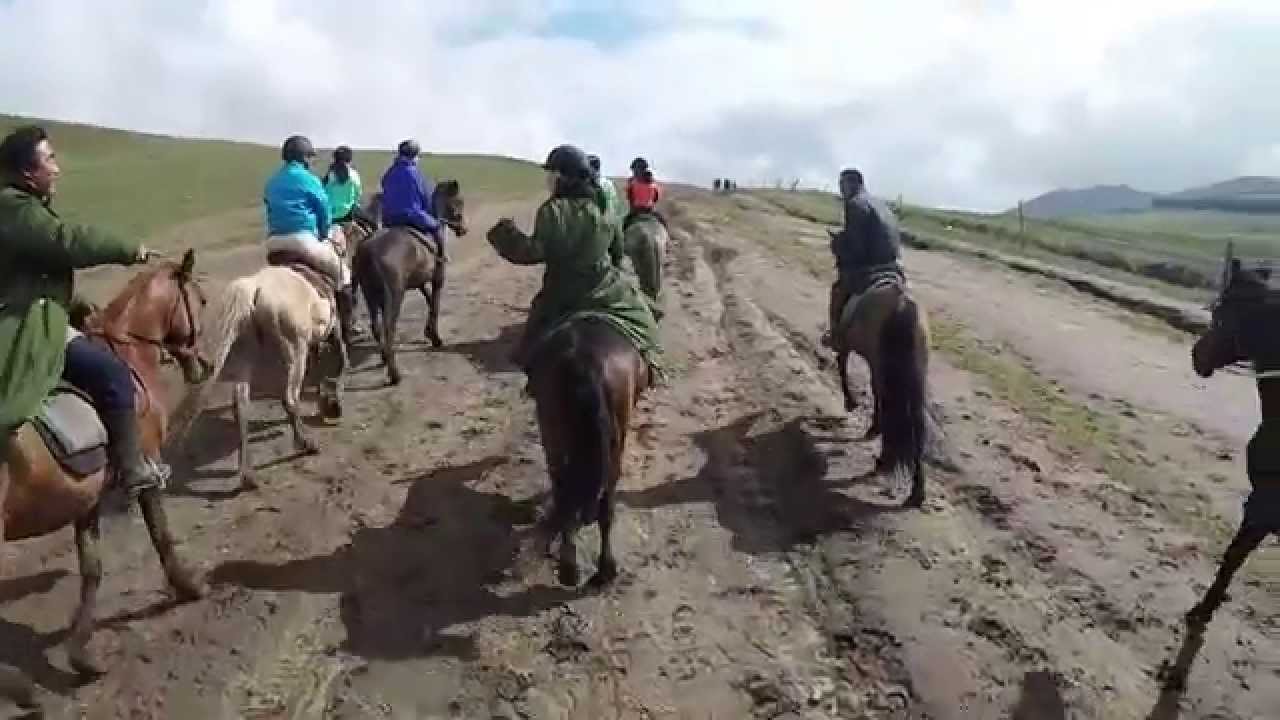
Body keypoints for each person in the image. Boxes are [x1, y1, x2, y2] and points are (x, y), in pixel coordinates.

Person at [0, 125, 167, 497]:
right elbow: (65, 242)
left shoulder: (16, 208)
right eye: (50, 159)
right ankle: (130, 468)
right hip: (23, 323)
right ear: (28, 171)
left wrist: (75, 306)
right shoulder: (13, 206)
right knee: (112, 373)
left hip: (28, 308)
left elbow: (25, 274)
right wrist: (128, 249)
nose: (57, 169)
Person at [487, 144, 662, 378]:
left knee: (526, 350)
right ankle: (653, 367)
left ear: (563, 178)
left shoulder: (552, 211)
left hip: (562, 292)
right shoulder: (603, 209)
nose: (548, 179)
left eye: (551, 174)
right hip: (605, 288)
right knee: (644, 321)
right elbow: (617, 251)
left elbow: (532, 252)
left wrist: (506, 236)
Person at [821, 168, 905, 348]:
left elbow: (856, 246)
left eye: (841, 185)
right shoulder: (882, 205)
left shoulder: (855, 204)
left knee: (838, 290)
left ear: (849, 183)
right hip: (895, 267)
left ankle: (836, 335)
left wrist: (840, 246)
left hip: (871, 268)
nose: (841, 190)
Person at [263, 135, 345, 288]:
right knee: (342, 273)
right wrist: (324, 234)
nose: (311, 161)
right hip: (303, 241)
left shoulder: (272, 181)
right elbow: (324, 211)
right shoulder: (310, 180)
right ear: (304, 158)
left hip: (273, 244)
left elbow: (269, 209)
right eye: (310, 157)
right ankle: (344, 309)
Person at [380, 139, 446, 260]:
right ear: (414, 156)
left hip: (389, 217)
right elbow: (426, 197)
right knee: (437, 228)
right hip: (412, 216)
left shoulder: (390, 171)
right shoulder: (416, 174)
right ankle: (441, 260)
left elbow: (384, 186)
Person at [324, 145, 375, 234]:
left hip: (329, 215)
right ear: (350, 159)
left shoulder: (328, 175)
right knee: (373, 225)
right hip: (347, 214)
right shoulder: (354, 174)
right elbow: (357, 194)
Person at [624, 156, 667, 231]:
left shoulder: (631, 182)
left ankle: (618, 241)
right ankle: (669, 241)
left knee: (623, 225)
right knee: (663, 222)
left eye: (634, 170)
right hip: (650, 210)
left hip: (636, 211)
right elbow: (656, 198)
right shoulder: (653, 183)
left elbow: (629, 197)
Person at [588, 154, 624, 228]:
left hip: (595, 220)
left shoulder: (588, 184)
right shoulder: (609, 183)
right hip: (611, 220)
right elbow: (615, 204)